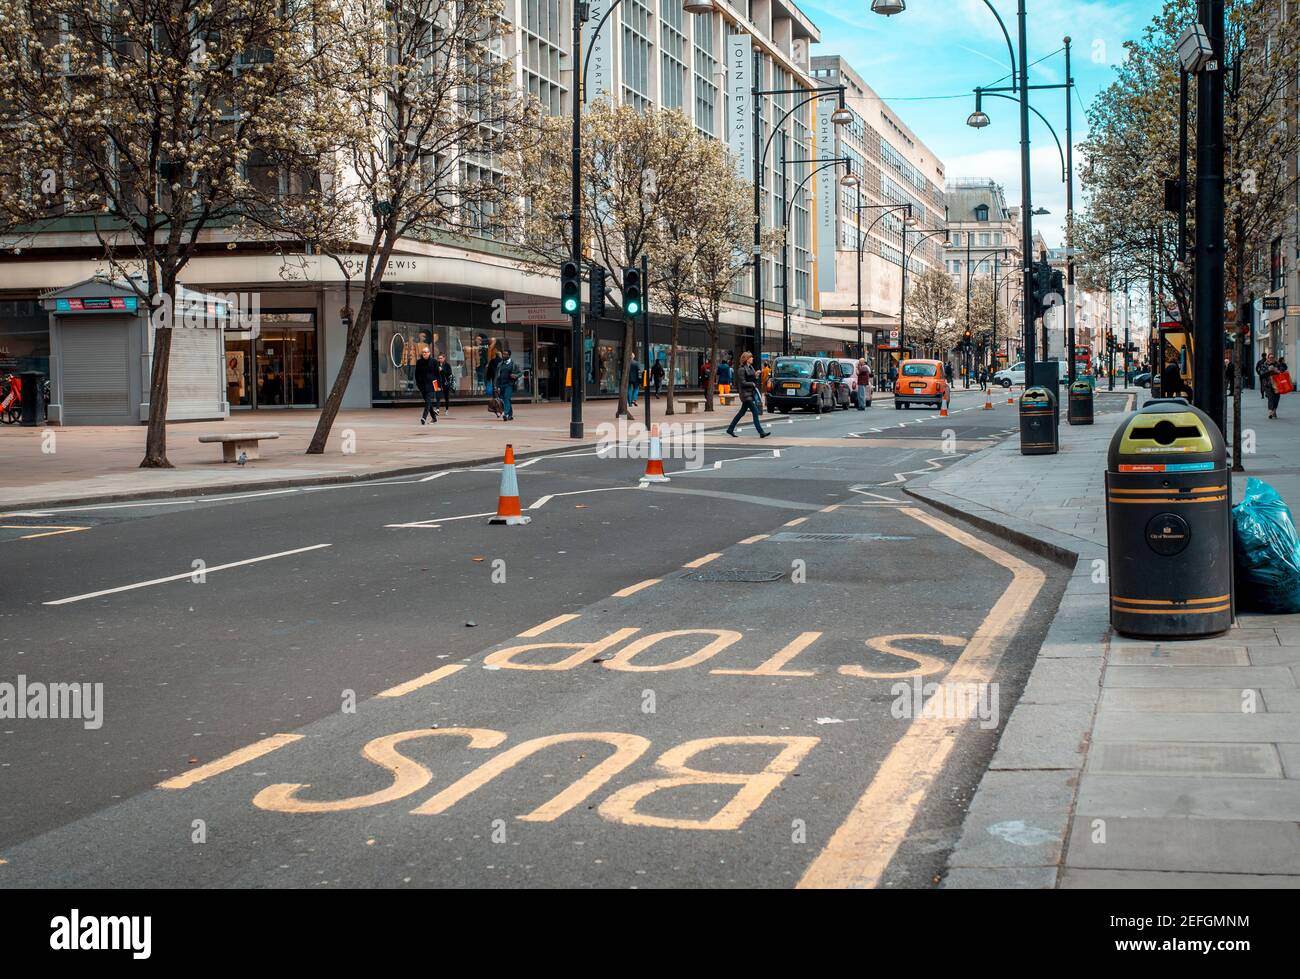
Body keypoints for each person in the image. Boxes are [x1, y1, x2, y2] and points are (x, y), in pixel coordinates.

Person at [725, 351, 770, 439]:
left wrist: (756, 376)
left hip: (750, 393)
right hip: (745, 394)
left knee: (741, 413)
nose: (752, 358)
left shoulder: (751, 368)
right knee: (755, 411)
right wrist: (752, 384)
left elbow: (753, 379)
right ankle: (761, 432)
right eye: (751, 357)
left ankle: (730, 429)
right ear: (746, 359)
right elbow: (742, 382)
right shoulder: (741, 369)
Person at [414, 347, 437, 424]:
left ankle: (424, 417)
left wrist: (438, 385)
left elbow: (437, 374)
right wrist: (418, 384)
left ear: (429, 353)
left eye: (426, 352)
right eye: (423, 352)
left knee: (428, 401)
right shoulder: (419, 362)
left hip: (431, 384)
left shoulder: (433, 361)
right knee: (428, 402)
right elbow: (416, 374)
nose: (424, 353)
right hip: (422, 385)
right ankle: (434, 418)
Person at [496, 348, 519, 421]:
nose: (503, 355)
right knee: (505, 400)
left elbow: (520, 372)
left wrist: (516, 375)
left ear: (509, 355)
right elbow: (497, 376)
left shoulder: (513, 364)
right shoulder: (500, 364)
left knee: (506, 398)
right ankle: (510, 415)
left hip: (509, 384)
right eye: (503, 354)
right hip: (501, 385)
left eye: (505, 354)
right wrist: (496, 386)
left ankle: (505, 414)